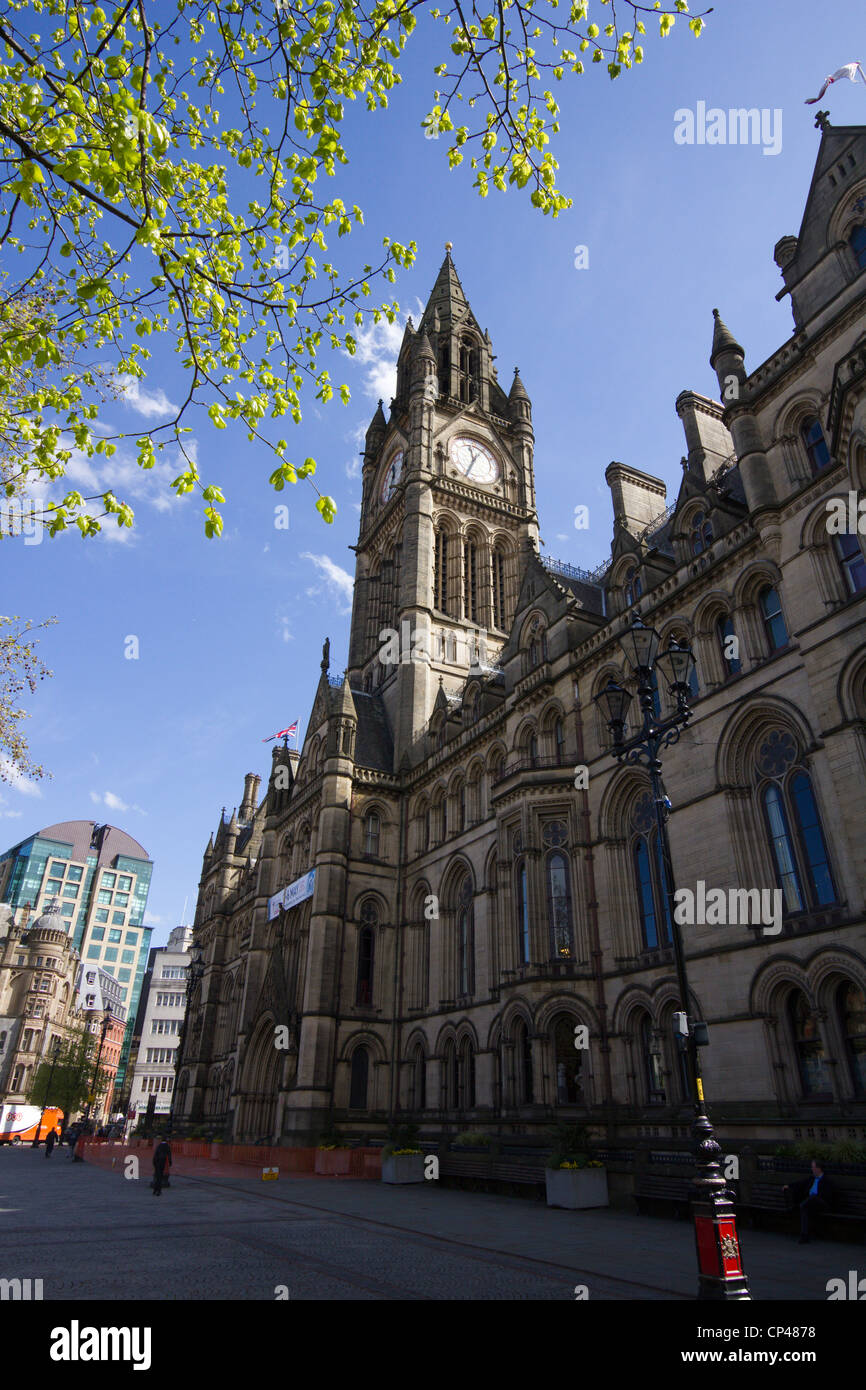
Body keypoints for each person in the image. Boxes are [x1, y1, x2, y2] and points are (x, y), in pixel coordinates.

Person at [783, 1159, 835, 1243]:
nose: (812, 1169)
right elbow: (800, 1183)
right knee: (804, 1207)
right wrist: (788, 1186)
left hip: (821, 1203)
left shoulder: (826, 1181)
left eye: (813, 1167)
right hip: (810, 1204)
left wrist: (815, 1197)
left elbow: (828, 1196)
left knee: (812, 1198)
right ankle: (804, 1235)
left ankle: (805, 1234)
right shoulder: (811, 1178)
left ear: (818, 1169)